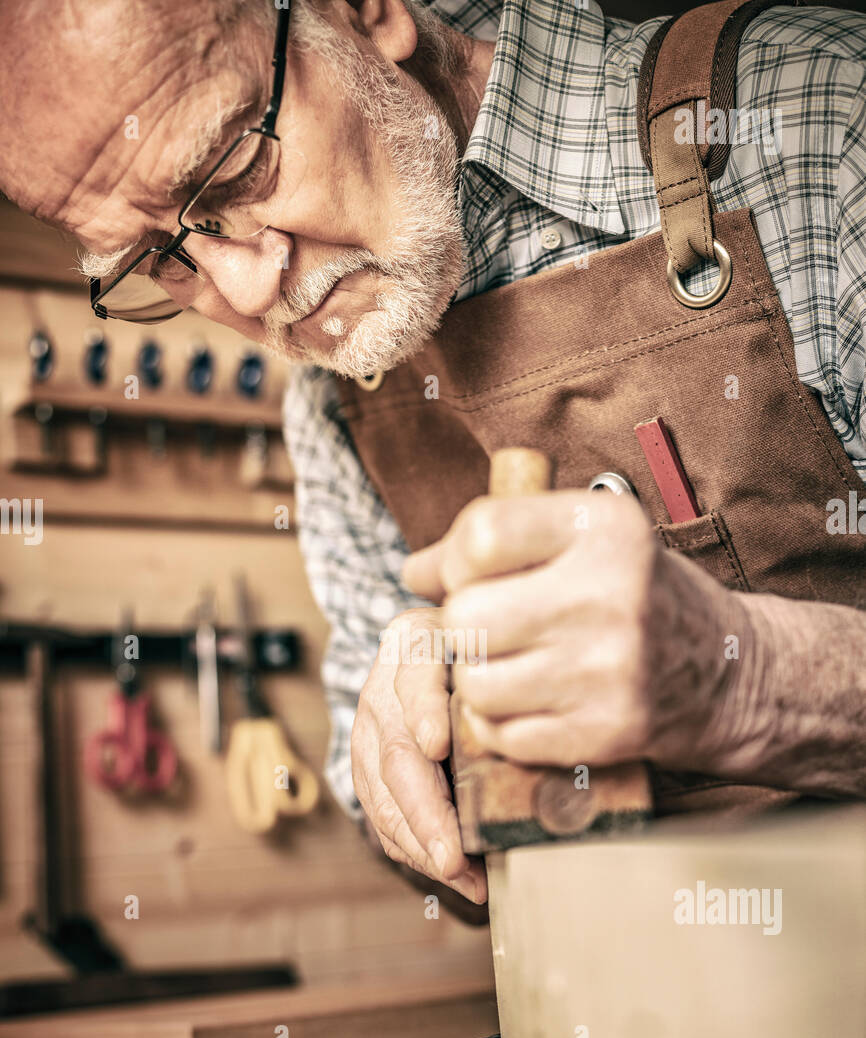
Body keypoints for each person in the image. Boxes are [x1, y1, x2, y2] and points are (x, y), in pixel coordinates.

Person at [2, 0, 864, 911]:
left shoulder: (826, 131)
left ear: (362, 13)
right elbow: (431, 856)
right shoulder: (337, 398)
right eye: (160, 261)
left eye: (236, 168)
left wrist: (750, 682)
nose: (251, 291)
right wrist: (437, 758)